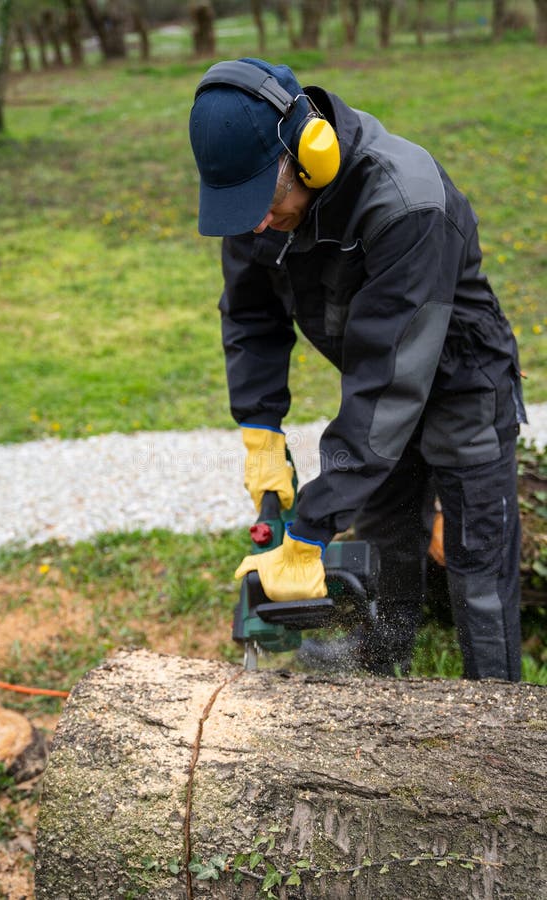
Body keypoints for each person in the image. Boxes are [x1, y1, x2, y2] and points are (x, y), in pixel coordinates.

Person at [188, 58, 527, 680]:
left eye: (265, 202)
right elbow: (251, 319)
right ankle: (379, 668)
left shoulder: (405, 202)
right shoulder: (256, 201)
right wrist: (260, 429)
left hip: (462, 380)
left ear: (311, 153)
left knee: (476, 559)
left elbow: (391, 381)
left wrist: (311, 528)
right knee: (386, 531)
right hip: (381, 381)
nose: (257, 223)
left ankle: (498, 717)